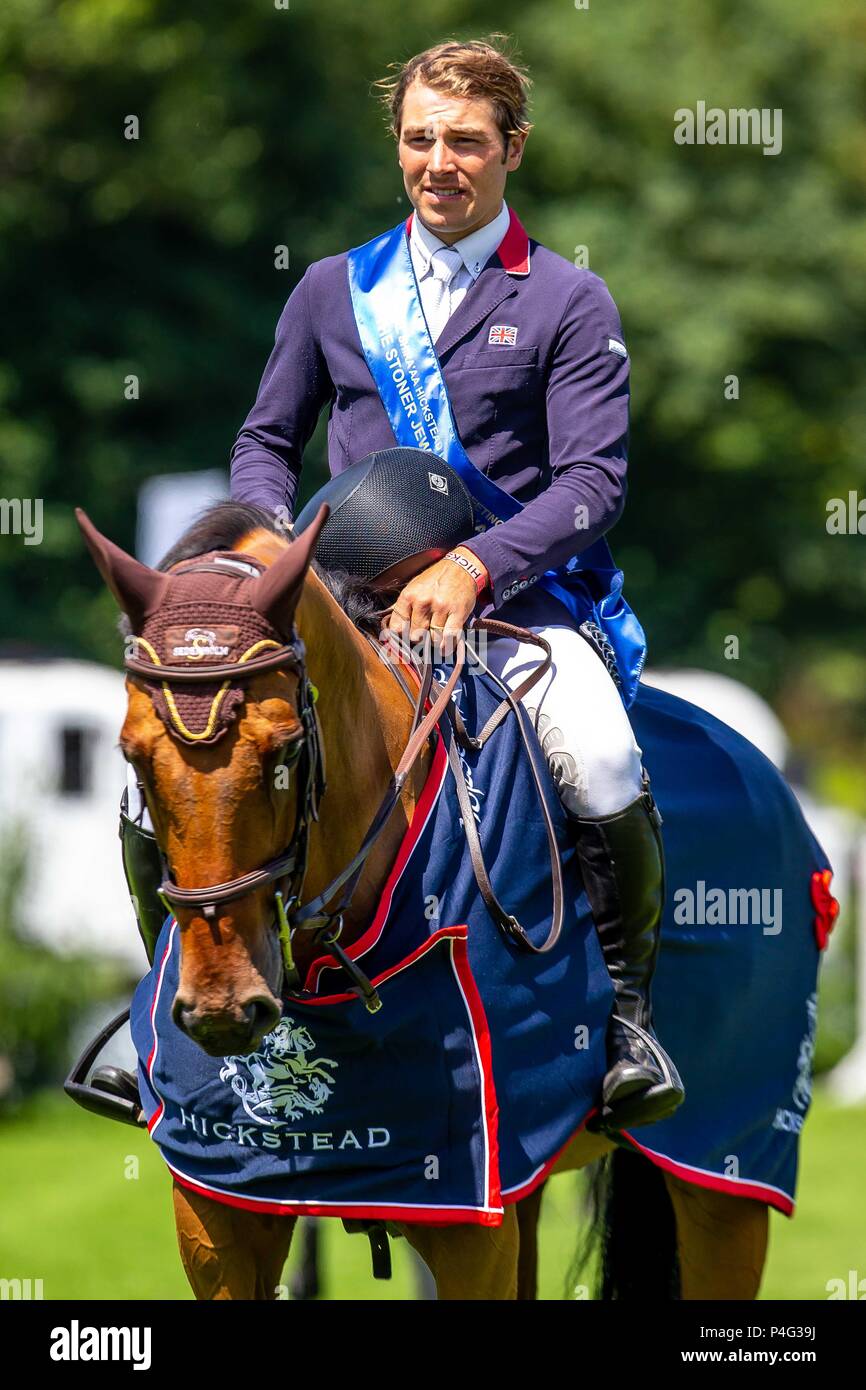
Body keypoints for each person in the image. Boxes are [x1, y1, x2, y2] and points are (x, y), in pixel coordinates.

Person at [229, 38, 683, 1130]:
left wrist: (477, 562)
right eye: (418, 138)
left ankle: (625, 1018)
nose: (439, 161)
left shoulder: (569, 298)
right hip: (343, 612)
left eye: (465, 141)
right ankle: (163, 1004)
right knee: (191, 749)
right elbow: (262, 442)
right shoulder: (334, 289)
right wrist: (268, 547)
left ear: (510, 150)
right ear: (397, 147)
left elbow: (592, 480)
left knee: (603, 755)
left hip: (516, 609)